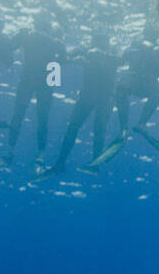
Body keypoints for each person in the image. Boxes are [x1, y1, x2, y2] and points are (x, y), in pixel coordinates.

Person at [0, 16, 66, 169]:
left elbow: (9, 46)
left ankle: (9, 152)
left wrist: (7, 59)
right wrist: (54, 82)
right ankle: (40, 156)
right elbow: (60, 63)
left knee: (18, 115)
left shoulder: (27, 35)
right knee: (43, 120)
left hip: (27, 78)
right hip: (45, 82)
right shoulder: (55, 42)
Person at [103, 26, 159, 164]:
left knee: (121, 89)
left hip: (135, 82)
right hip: (146, 84)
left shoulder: (137, 46)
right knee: (155, 91)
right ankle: (139, 124)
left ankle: (125, 127)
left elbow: (120, 61)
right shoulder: (155, 49)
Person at [47, 32, 120, 173]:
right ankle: (71, 164)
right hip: (96, 96)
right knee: (87, 130)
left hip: (100, 96)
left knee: (85, 129)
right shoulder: (89, 51)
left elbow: (121, 60)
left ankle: (84, 164)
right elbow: (64, 58)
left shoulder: (106, 53)